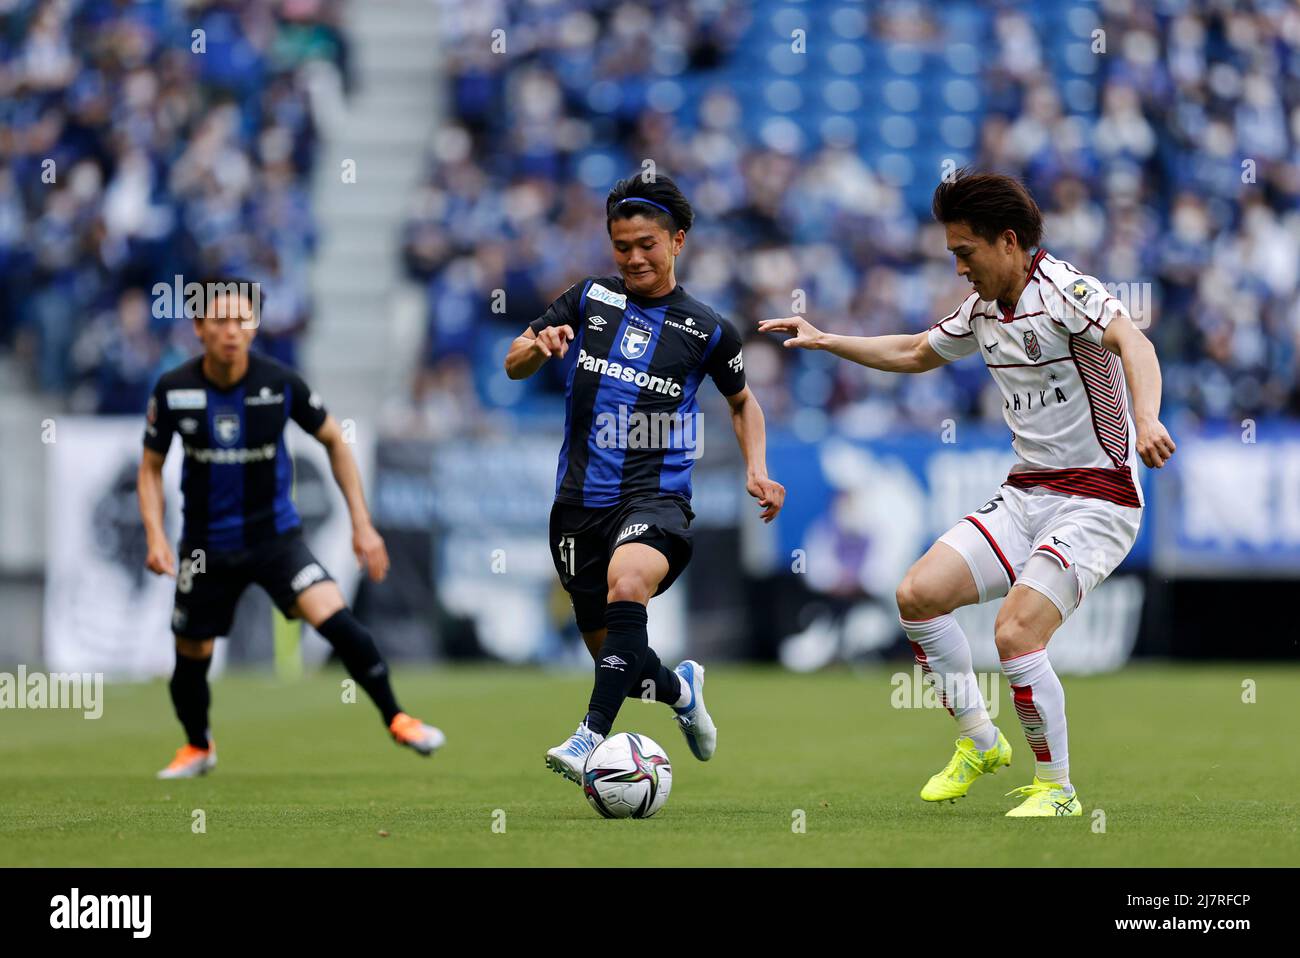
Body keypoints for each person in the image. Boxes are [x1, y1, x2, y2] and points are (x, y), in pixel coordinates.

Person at [760, 170, 1176, 816]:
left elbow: (1134, 342)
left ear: (1008, 242)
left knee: (1014, 633)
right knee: (917, 596)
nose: (958, 267)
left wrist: (1147, 417)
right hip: (1026, 493)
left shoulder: (1067, 291)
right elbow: (915, 351)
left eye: (965, 252)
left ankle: (1058, 791)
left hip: (1099, 498)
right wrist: (825, 339)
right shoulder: (984, 312)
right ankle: (981, 741)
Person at [503, 173, 786, 784]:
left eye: (647, 244)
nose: (634, 257)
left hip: (656, 500)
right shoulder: (587, 299)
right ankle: (680, 690)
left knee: (627, 580)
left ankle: (587, 739)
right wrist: (539, 343)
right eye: (622, 245)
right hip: (577, 505)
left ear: (677, 241)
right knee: (618, 661)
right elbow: (513, 362)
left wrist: (757, 470)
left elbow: (742, 403)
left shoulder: (707, 330)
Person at [139, 279, 444, 778]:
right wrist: (155, 534)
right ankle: (198, 746)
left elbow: (335, 442)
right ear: (199, 328)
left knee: (340, 622)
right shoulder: (174, 390)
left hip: (275, 540)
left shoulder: (279, 383)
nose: (232, 332)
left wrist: (363, 526)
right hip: (205, 548)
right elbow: (150, 467)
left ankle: (398, 718)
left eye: (242, 321)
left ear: (255, 326)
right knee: (191, 655)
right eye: (220, 322)